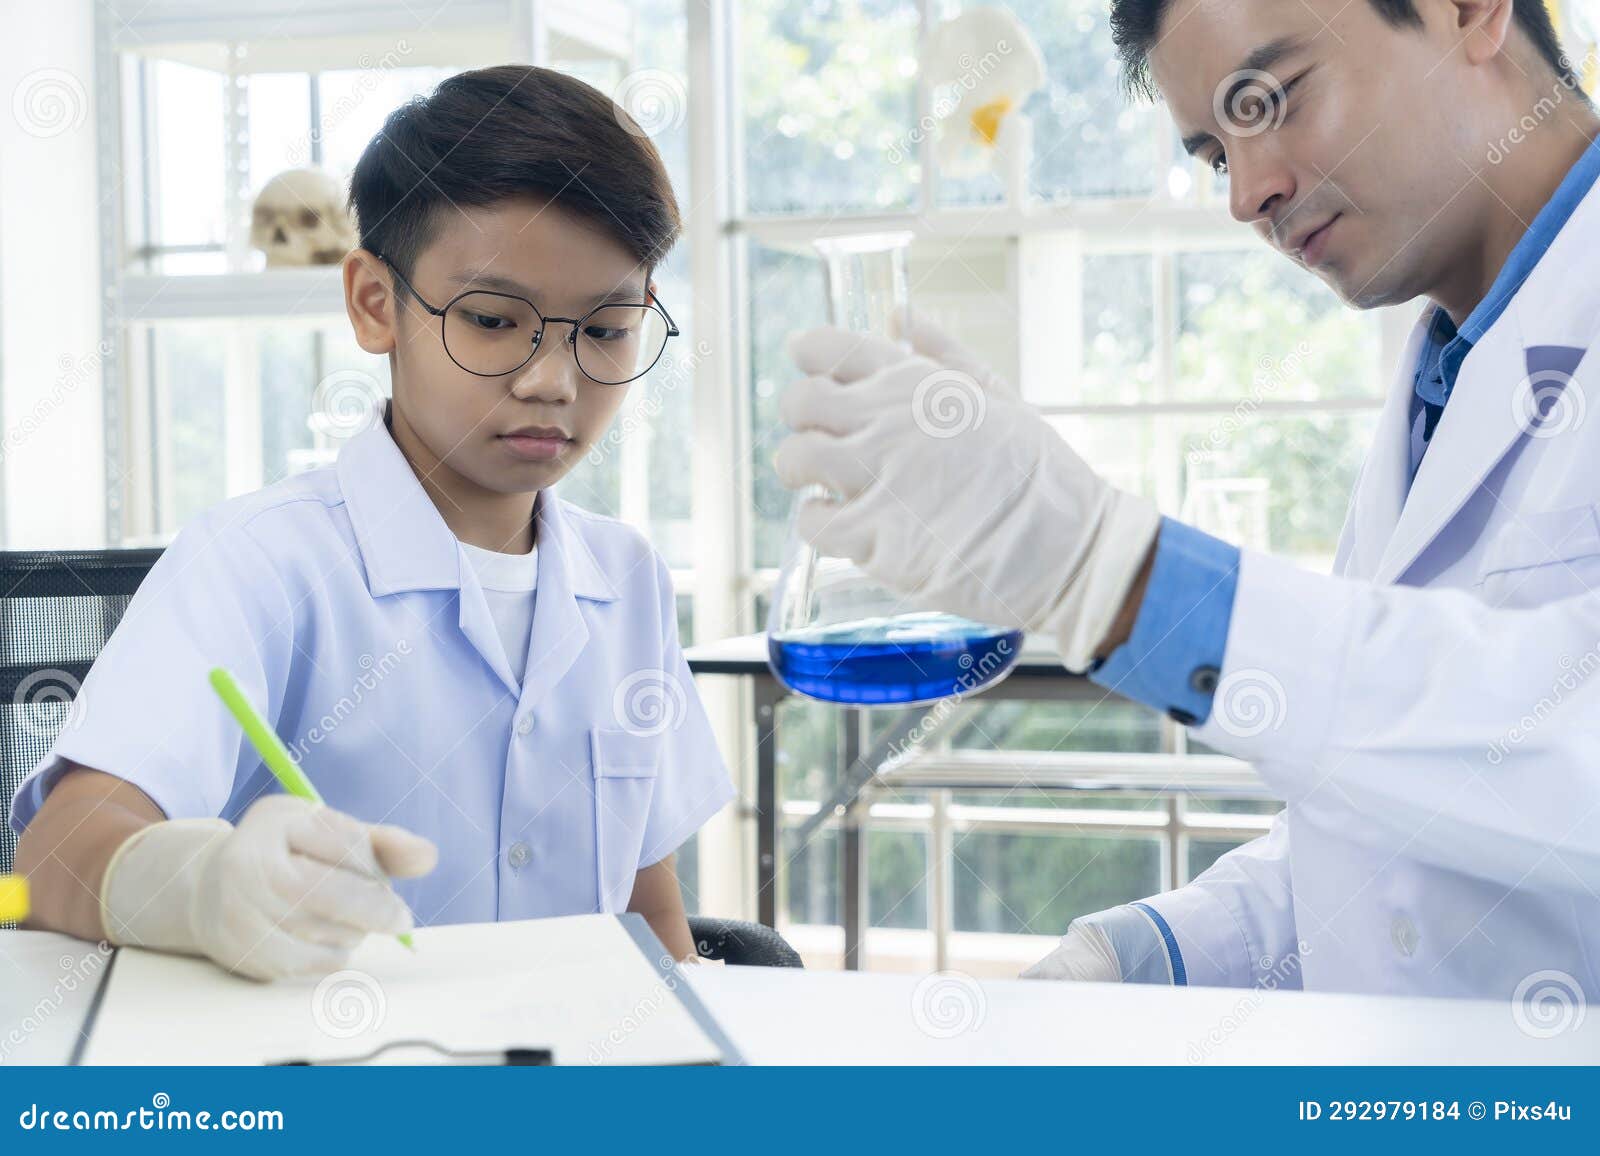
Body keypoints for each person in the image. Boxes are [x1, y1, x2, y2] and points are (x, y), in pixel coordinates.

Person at [776, 0, 1600, 998]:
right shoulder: (1450, 369)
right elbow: (1392, 842)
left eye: (1274, 98)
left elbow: (1565, 754)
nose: (1249, 194)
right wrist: (1143, 956)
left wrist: (1116, 575)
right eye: (1214, 154)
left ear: (1468, 12)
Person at [12, 65, 733, 980]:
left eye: (605, 330)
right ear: (374, 304)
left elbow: (648, 904)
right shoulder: (259, 566)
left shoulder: (625, 579)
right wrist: (199, 886)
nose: (553, 380)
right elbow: (57, 857)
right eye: (493, 320)